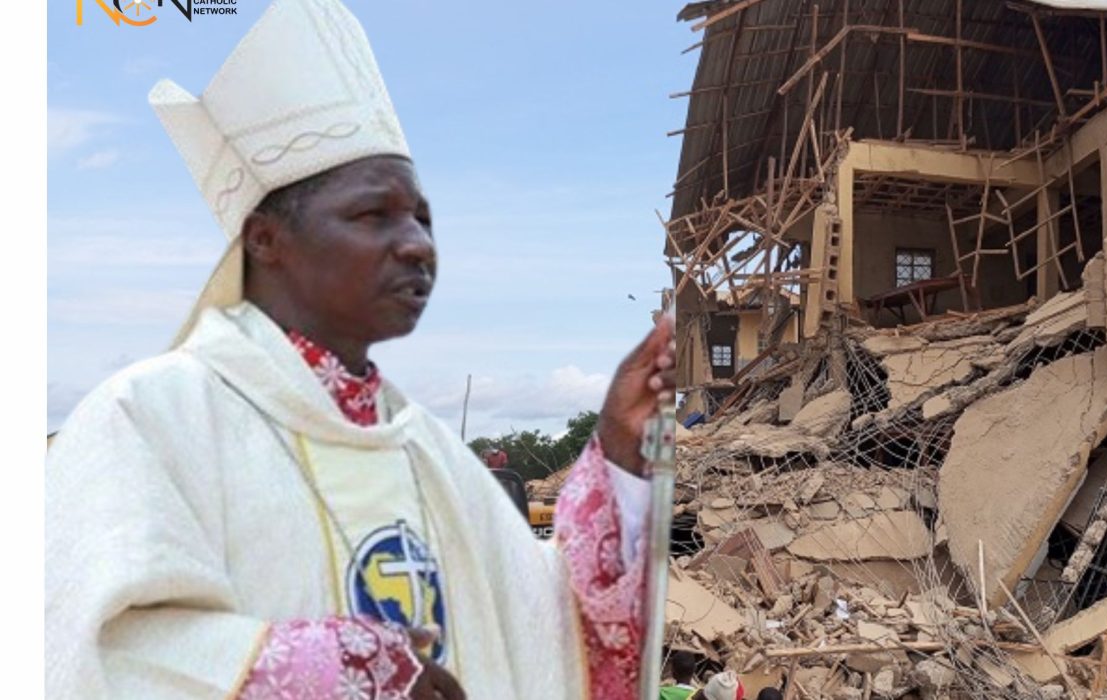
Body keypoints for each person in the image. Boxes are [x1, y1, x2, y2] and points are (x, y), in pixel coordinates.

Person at [43, 0, 675, 699]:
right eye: (373, 214)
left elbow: (542, 623)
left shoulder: (425, 452)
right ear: (264, 240)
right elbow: (80, 647)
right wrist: (332, 673)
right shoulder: (149, 418)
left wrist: (618, 452)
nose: (417, 243)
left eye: (422, 217)